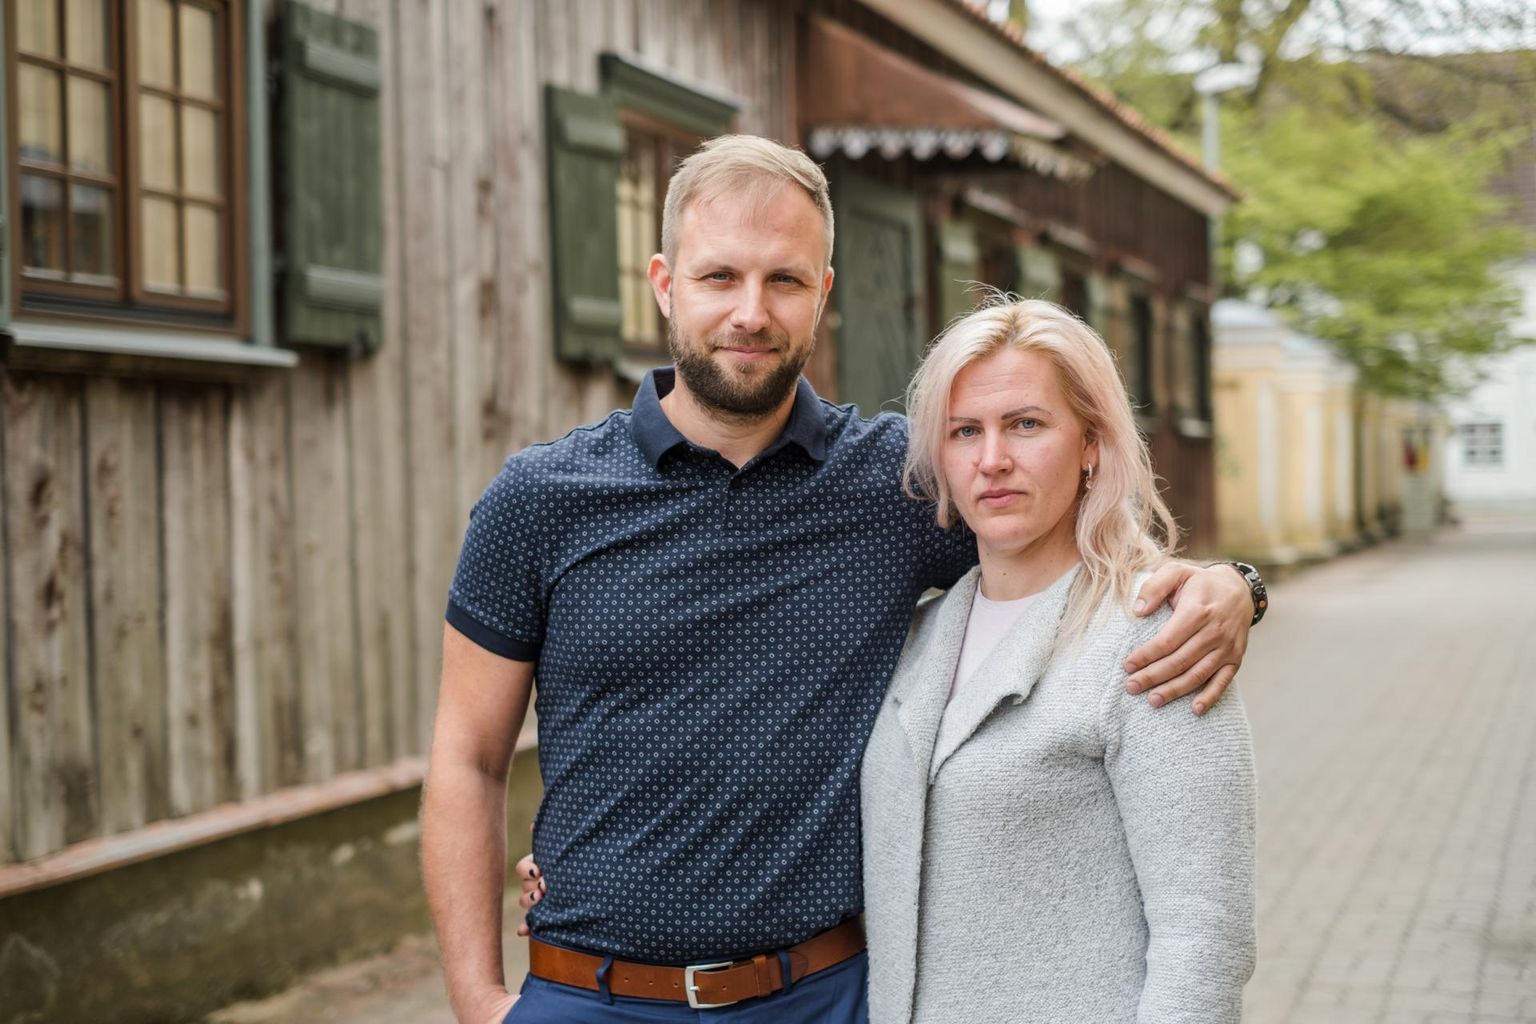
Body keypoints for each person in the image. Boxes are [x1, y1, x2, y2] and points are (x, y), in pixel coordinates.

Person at [422, 134, 1261, 1024]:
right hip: (589, 997)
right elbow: (467, 761)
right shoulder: (542, 500)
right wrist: (478, 1000)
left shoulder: (899, 483)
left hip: (822, 997)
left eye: (784, 280)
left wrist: (1235, 585)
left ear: (822, 294)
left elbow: (1062, 539)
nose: (751, 311)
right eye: (720, 278)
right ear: (665, 283)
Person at [859, 298, 1256, 1024]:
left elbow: (1205, 939)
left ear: (1091, 444)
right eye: (965, 432)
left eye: (1026, 424)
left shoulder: (1155, 638)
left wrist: (1241, 586)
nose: (992, 459)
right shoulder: (917, 639)